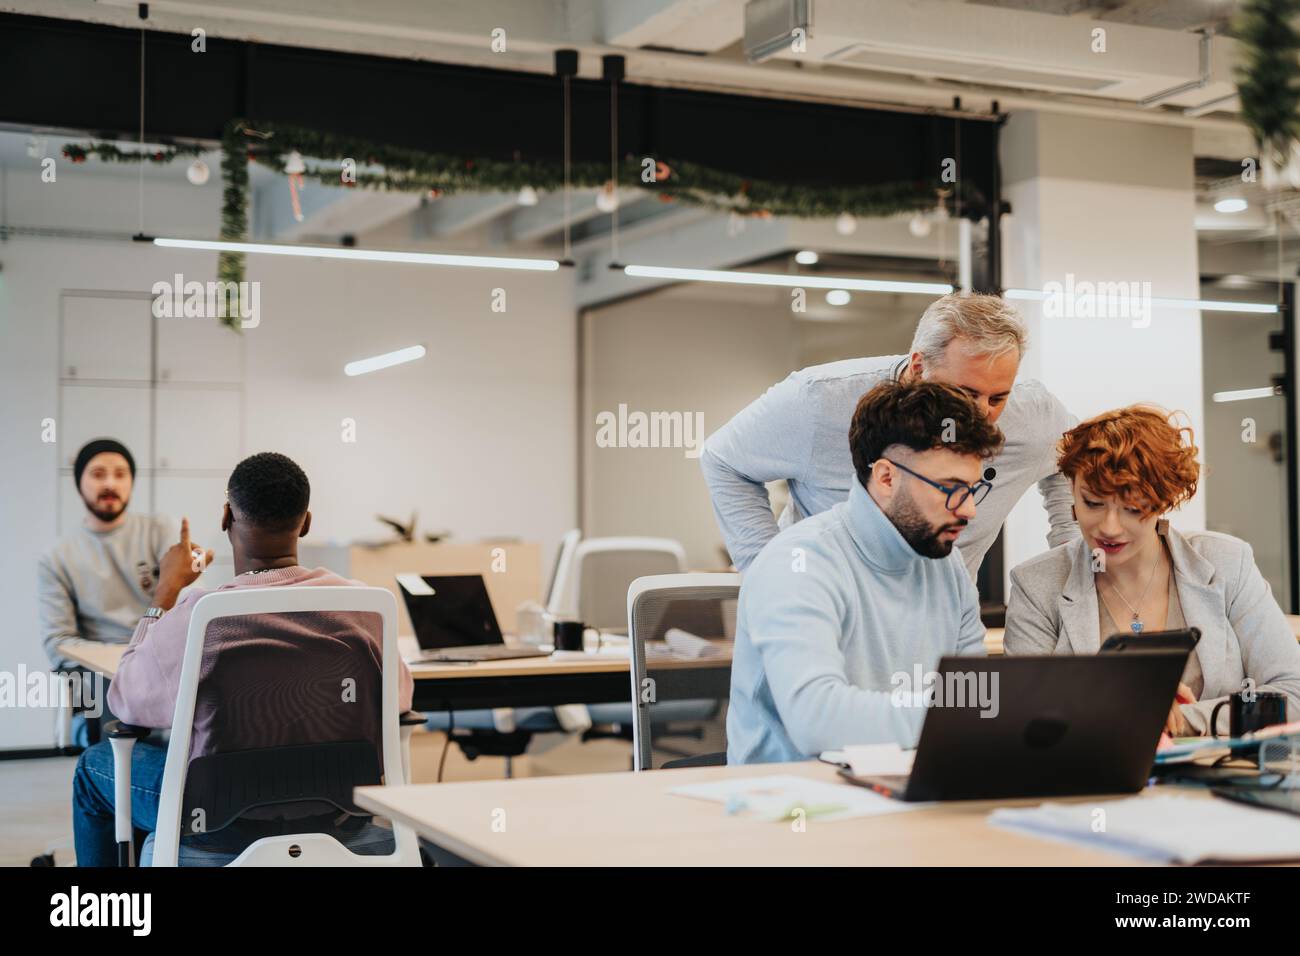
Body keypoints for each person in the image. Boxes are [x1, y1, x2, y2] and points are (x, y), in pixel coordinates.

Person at [71, 452, 415, 866]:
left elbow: (126, 700)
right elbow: (399, 700)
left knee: (94, 767)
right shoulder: (362, 607)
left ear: (225, 517)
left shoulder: (203, 614)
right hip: (338, 811)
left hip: (216, 817)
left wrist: (165, 592)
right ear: (306, 522)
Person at [701, 292, 1079, 577]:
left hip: (938, 621)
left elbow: (1074, 460)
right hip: (828, 610)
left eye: (997, 397)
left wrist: (1069, 550)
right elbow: (723, 459)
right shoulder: (818, 401)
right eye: (965, 393)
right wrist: (765, 572)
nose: (980, 414)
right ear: (918, 367)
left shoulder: (1033, 415)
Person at [727, 380, 1003, 764]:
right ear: (887, 477)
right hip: (798, 804)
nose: (969, 510)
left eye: (972, 490)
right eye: (950, 488)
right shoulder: (797, 564)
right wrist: (958, 718)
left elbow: (974, 697)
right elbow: (817, 722)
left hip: (909, 787)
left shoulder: (946, 564)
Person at [1004, 406, 1300, 735]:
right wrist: (1136, 710)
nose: (1109, 527)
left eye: (1133, 508)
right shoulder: (1036, 584)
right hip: (1096, 780)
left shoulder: (1227, 561)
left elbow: (1292, 691)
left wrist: (1182, 719)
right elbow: (1027, 716)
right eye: (1092, 503)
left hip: (1218, 779)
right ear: (1072, 491)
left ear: (1165, 501)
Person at [37, 439, 176, 745]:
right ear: (79, 483)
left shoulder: (157, 532)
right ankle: (117, 776)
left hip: (158, 659)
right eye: (98, 474)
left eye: (120, 474)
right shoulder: (58, 556)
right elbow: (57, 642)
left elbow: (184, 603)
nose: (110, 483)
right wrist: (119, 663)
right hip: (99, 674)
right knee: (105, 690)